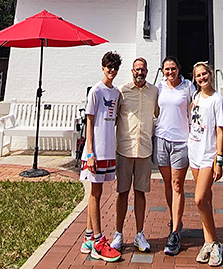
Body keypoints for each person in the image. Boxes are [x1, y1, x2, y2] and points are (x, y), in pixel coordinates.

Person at [111, 57, 159, 253]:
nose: (140, 72)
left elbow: (158, 114)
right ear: (132, 70)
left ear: (147, 71)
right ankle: (118, 234)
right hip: (125, 148)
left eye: (143, 69)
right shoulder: (121, 91)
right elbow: (112, 117)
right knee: (122, 192)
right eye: (137, 69)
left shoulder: (154, 92)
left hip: (144, 149)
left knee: (140, 192)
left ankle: (140, 234)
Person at [80, 51, 123, 262]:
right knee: (95, 192)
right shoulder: (96, 91)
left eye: (115, 67)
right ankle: (98, 240)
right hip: (95, 150)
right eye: (109, 67)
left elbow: (114, 120)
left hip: (108, 149)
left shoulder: (116, 93)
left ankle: (88, 237)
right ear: (102, 67)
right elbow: (89, 122)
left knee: (98, 191)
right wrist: (90, 153)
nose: (112, 71)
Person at [154, 55, 196, 256]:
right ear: (162, 71)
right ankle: (175, 219)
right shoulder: (159, 87)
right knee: (168, 183)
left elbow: (198, 108)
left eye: (173, 68)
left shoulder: (188, 87)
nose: (170, 72)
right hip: (162, 139)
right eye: (166, 69)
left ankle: (175, 232)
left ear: (179, 68)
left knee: (178, 185)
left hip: (181, 141)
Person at [188, 61, 223, 267]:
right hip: (194, 152)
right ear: (194, 78)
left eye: (205, 74)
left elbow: (220, 131)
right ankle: (207, 243)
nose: (202, 78)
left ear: (211, 74)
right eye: (198, 75)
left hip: (208, 156)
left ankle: (215, 243)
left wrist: (219, 160)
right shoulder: (195, 97)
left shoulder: (217, 101)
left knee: (199, 199)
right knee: (206, 201)